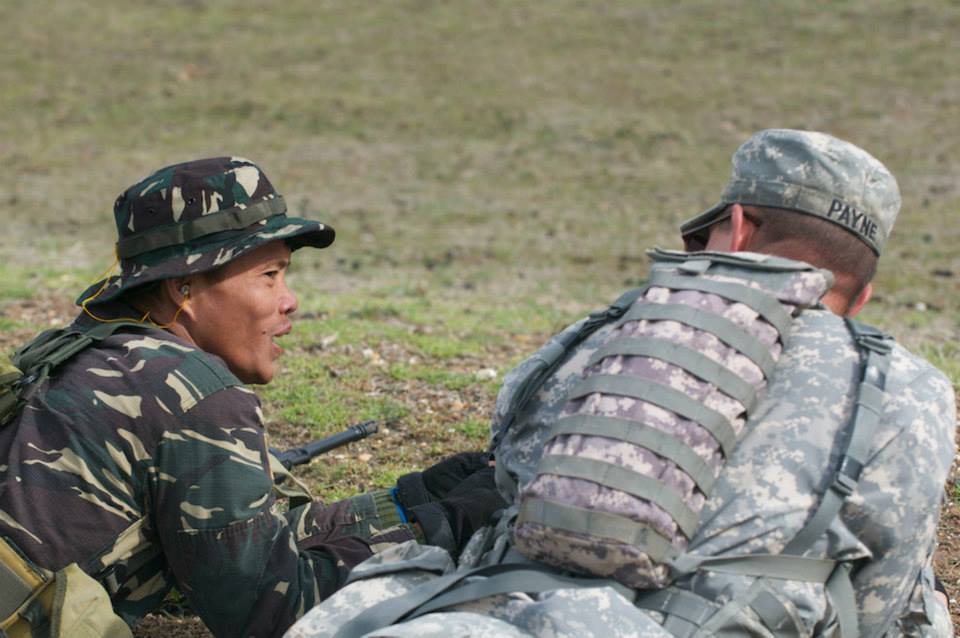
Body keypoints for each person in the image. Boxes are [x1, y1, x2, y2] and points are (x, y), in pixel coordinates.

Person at [286, 130, 955, 637]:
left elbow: (512, 469)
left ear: (741, 225)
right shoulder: (912, 392)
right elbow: (880, 600)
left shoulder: (606, 330)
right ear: (862, 294)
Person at [0, 157, 504, 637]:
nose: (290, 300)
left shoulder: (81, 350)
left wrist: (413, 499)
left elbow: (257, 541)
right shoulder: (192, 393)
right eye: (269, 275)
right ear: (184, 288)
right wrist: (446, 528)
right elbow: (275, 613)